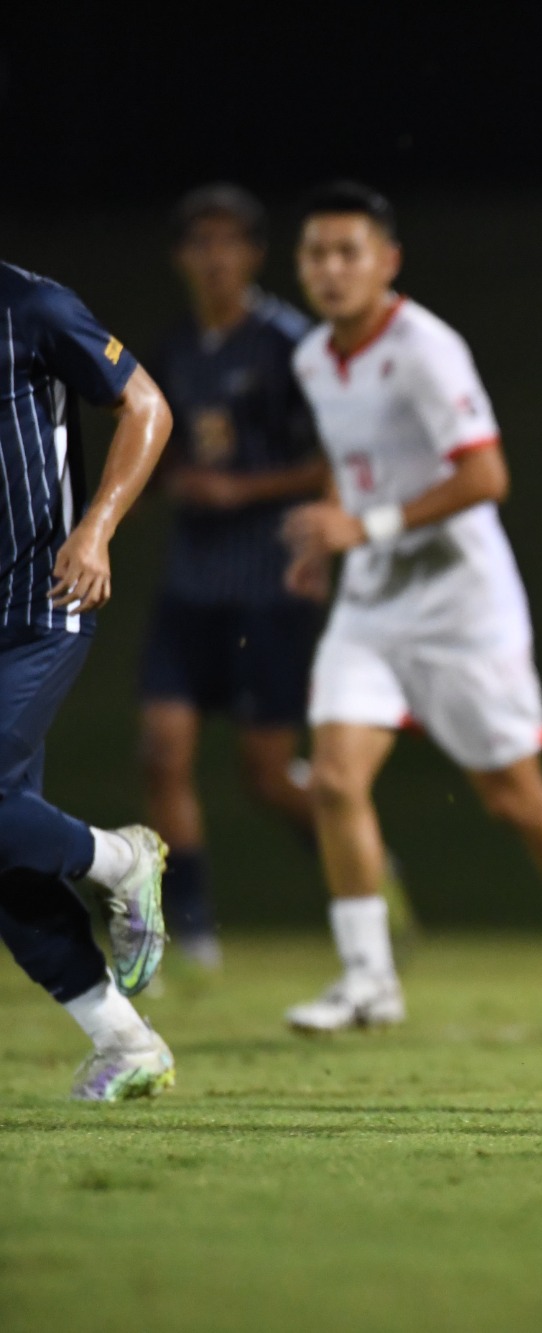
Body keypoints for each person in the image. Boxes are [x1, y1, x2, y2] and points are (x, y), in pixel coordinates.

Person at [279, 181, 542, 1041]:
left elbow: (484, 476)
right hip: (369, 602)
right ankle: (368, 981)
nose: (329, 268)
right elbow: (350, 461)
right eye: (316, 252)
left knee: (516, 798)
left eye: (347, 251)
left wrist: (365, 524)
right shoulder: (315, 356)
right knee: (331, 779)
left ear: (387, 261)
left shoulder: (427, 346)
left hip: (462, 604)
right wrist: (329, 541)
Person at [139, 184, 330, 968]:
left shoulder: (290, 343)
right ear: (182, 256)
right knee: (161, 750)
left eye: (230, 242)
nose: (214, 258)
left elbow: (330, 461)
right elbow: (157, 448)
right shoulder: (177, 348)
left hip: (268, 584)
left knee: (267, 775)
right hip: (191, 583)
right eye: (200, 243)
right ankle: (191, 930)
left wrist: (242, 492)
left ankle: (356, 857)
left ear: (254, 253)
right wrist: (169, 477)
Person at [0, 261, 177, 1099]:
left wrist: (97, 527)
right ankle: (124, 1041)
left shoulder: (32, 305)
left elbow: (146, 404)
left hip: (40, 601)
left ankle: (119, 859)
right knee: (4, 853)